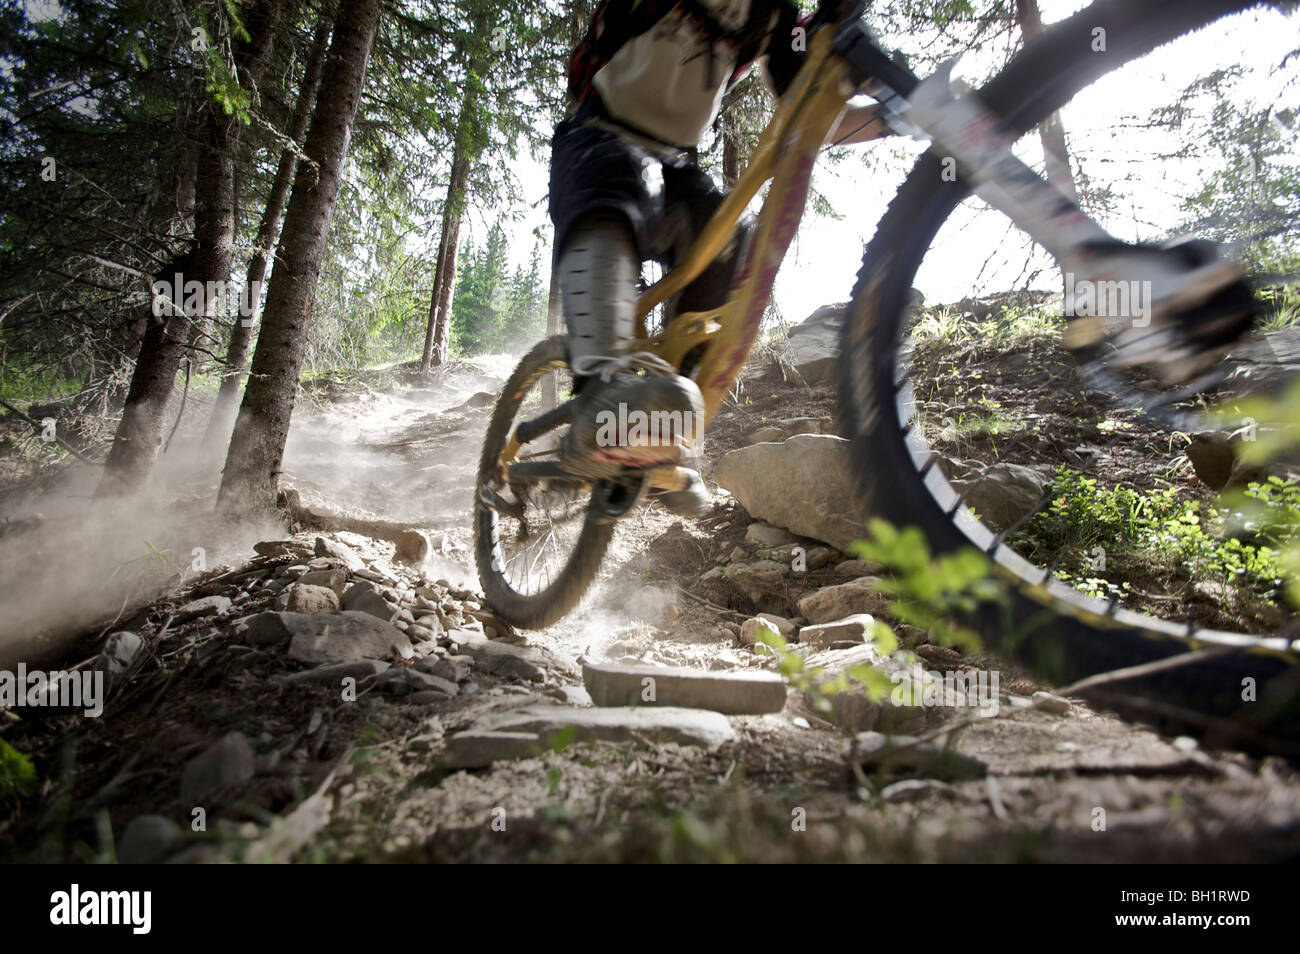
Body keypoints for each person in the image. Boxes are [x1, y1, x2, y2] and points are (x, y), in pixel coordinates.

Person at [548, 0, 888, 516]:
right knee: (618, 187)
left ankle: (659, 427)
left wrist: (893, 112)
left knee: (732, 247)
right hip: (596, 136)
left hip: (677, 166)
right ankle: (602, 393)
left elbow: (818, 112)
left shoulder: (772, 18)